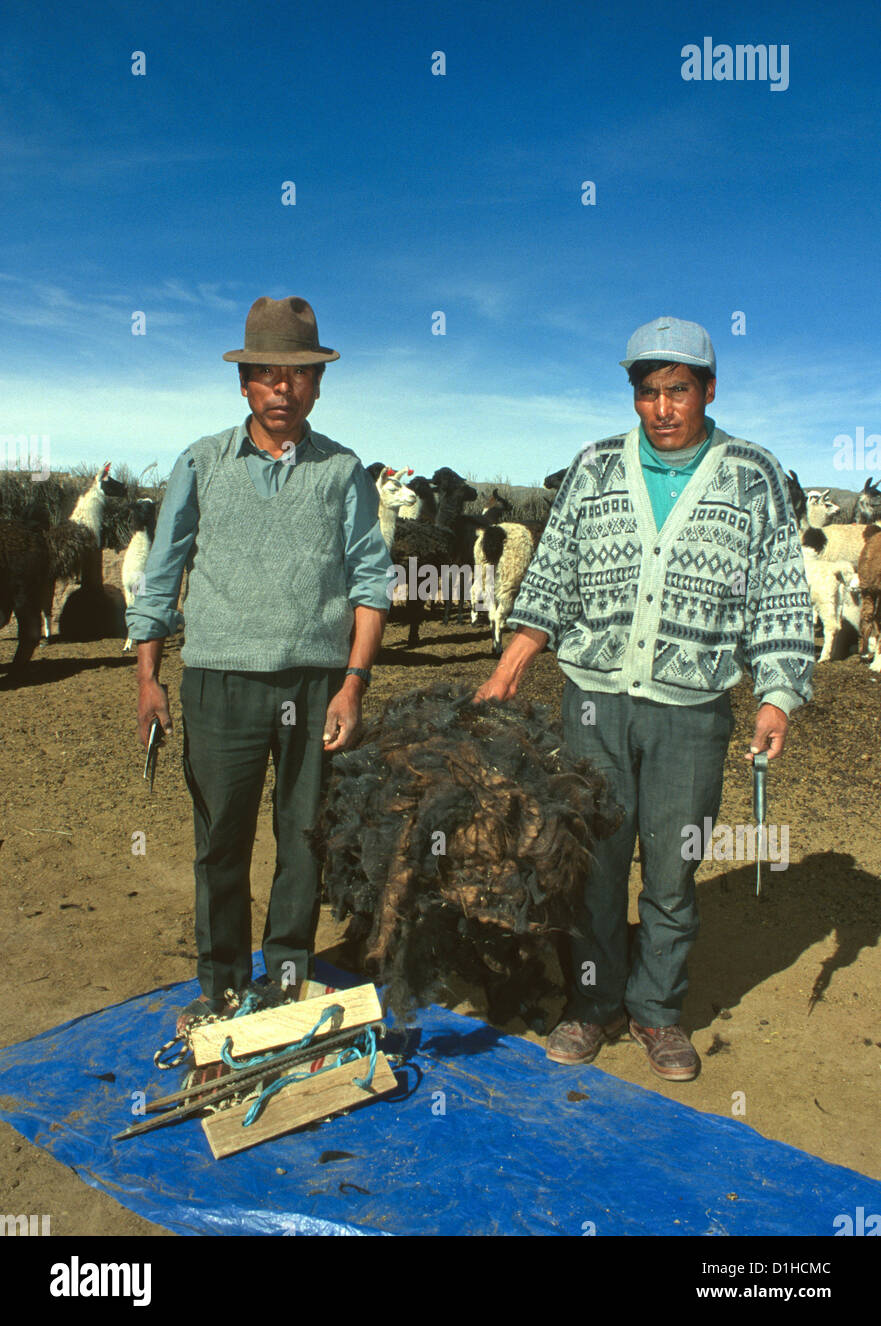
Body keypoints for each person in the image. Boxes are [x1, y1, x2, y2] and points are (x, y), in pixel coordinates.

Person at [474, 317, 814, 1080]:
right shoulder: (593, 468)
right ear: (634, 396)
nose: (662, 408)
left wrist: (777, 695)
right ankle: (591, 1005)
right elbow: (553, 572)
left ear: (708, 391)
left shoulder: (750, 475)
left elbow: (780, 597)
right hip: (593, 701)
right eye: (648, 392)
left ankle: (657, 1011)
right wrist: (513, 660)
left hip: (691, 709)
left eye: (678, 391)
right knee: (589, 862)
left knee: (672, 866)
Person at [127, 295, 391, 1024]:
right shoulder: (202, 462)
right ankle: (219, 990)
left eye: (298, 374)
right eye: (267, 373)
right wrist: (149, 678)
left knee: (304, 840)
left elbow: (372, 581)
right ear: (243, 381)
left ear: (317, 384)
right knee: (221, 845)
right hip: (218, 682)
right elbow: (161, 575)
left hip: (314, 686)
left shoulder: (342, 471)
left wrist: (353, 684)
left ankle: (284, 981)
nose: (283, 388)